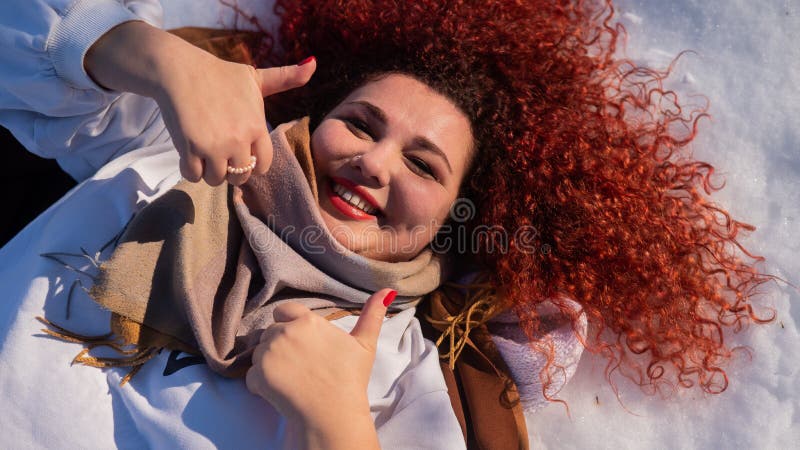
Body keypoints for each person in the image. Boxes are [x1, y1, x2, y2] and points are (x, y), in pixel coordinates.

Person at [0, 0, 774, 448]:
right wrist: (151, 59)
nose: (374, 164)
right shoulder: (176, 150)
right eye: (361, 124)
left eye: (425, 166)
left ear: (451, 224)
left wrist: (338, 424)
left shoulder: (406, 372)